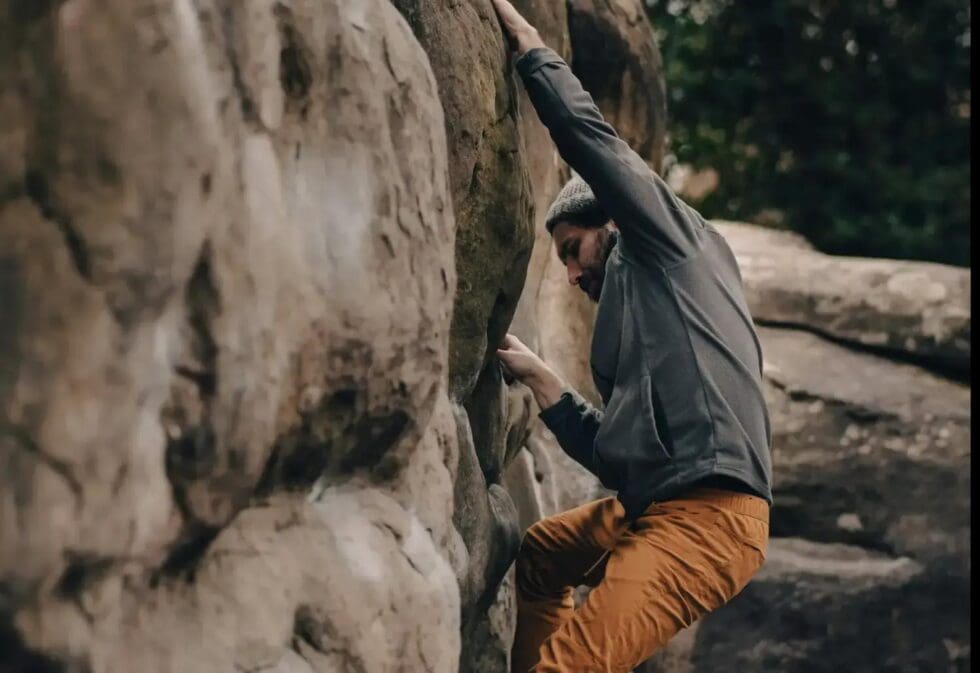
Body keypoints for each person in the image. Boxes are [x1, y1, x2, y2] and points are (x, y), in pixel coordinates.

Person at [489, 1, 774, 671]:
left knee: (573, 665)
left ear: (612, 220)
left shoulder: (667, 241)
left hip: (708, 519)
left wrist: (533, 52)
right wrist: (541, 380)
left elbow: (596, 145)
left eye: (572, 249)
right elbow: (618, 459)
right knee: (542, 558)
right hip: (653, 504)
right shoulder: (649, 316)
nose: (570, 273)